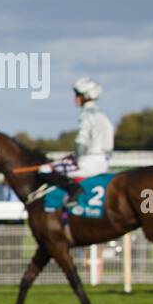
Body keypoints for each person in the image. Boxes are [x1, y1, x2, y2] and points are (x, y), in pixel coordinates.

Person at [34, 77, 115, 208]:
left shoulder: (86, 115)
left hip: (89, 163)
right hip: (103, 161)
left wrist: (76, 157)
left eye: (78, 95)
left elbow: (81, 142)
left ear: (86, 96)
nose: (75, 98)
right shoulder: (103, 116)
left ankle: (73, 192)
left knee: (44, 170)